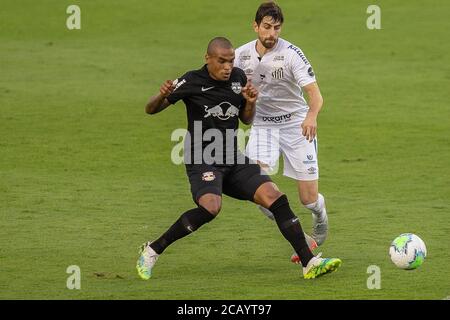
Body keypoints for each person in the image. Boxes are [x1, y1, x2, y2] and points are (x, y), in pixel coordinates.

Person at [137, 37, 341, 280]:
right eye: (221, 61)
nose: (227, 67)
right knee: (211, 208)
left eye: (231, 61)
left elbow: (245, 119)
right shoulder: (191, 81)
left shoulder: (238, 78)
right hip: (203, 159)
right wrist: (161, 96)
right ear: (208, 59)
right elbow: (151, 109)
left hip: (233, 157)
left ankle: (309, 263)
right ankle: (152, 250)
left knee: (275, 198)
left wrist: (251, 102)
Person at [234, 2, 328, 264]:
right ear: (255, 26)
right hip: (263, 125)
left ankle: (319, 216)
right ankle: (299, 235)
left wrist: (311, 116)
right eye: (266, 27)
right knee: (260, 193)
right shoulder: (240, 56)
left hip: (296, 125)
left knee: (308, 199)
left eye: (276, 28)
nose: (271, 33)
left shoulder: (291, 54)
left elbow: (315, 94)